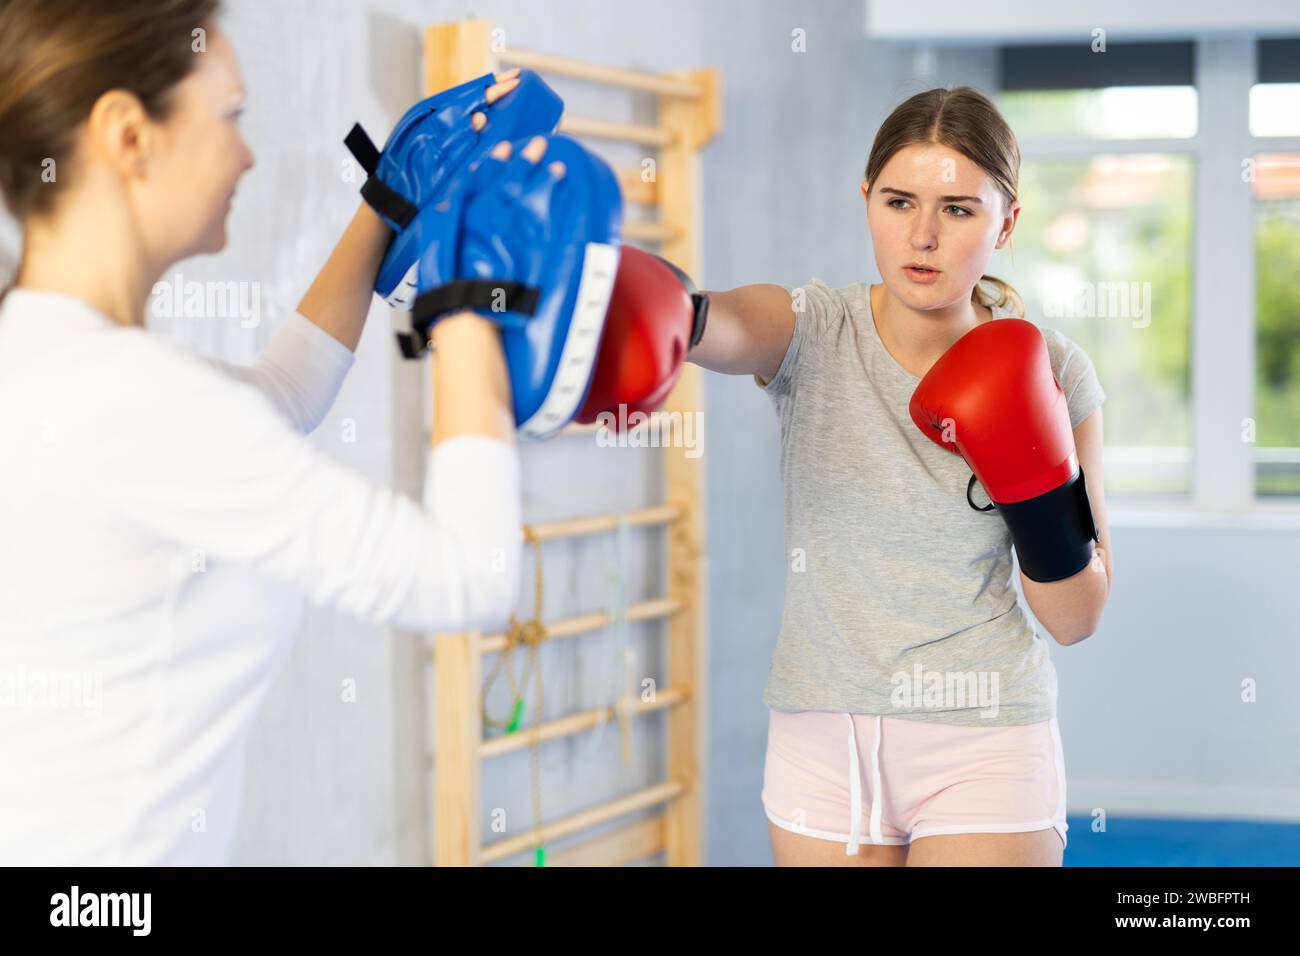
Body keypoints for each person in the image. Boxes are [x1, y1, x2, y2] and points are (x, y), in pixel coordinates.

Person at [0, 0, 578, 863]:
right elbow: (467, 577)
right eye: (229, 116)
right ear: (128, 135)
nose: (248, 151)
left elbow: (278, 396)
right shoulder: (133, 398)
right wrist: (469, 287)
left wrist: (390, 202)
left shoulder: (47, 354)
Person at [686, 86, 1113, 866]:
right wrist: (654, 308)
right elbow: (729, 323)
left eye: (958, 209)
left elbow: (1076, 617)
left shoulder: (1053, 369)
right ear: (866, 200)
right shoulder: (817, 329)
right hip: (823, 737)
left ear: (1006, 222)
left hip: (985, 736)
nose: (922, 235)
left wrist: (1031, 474)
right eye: (898, 201)